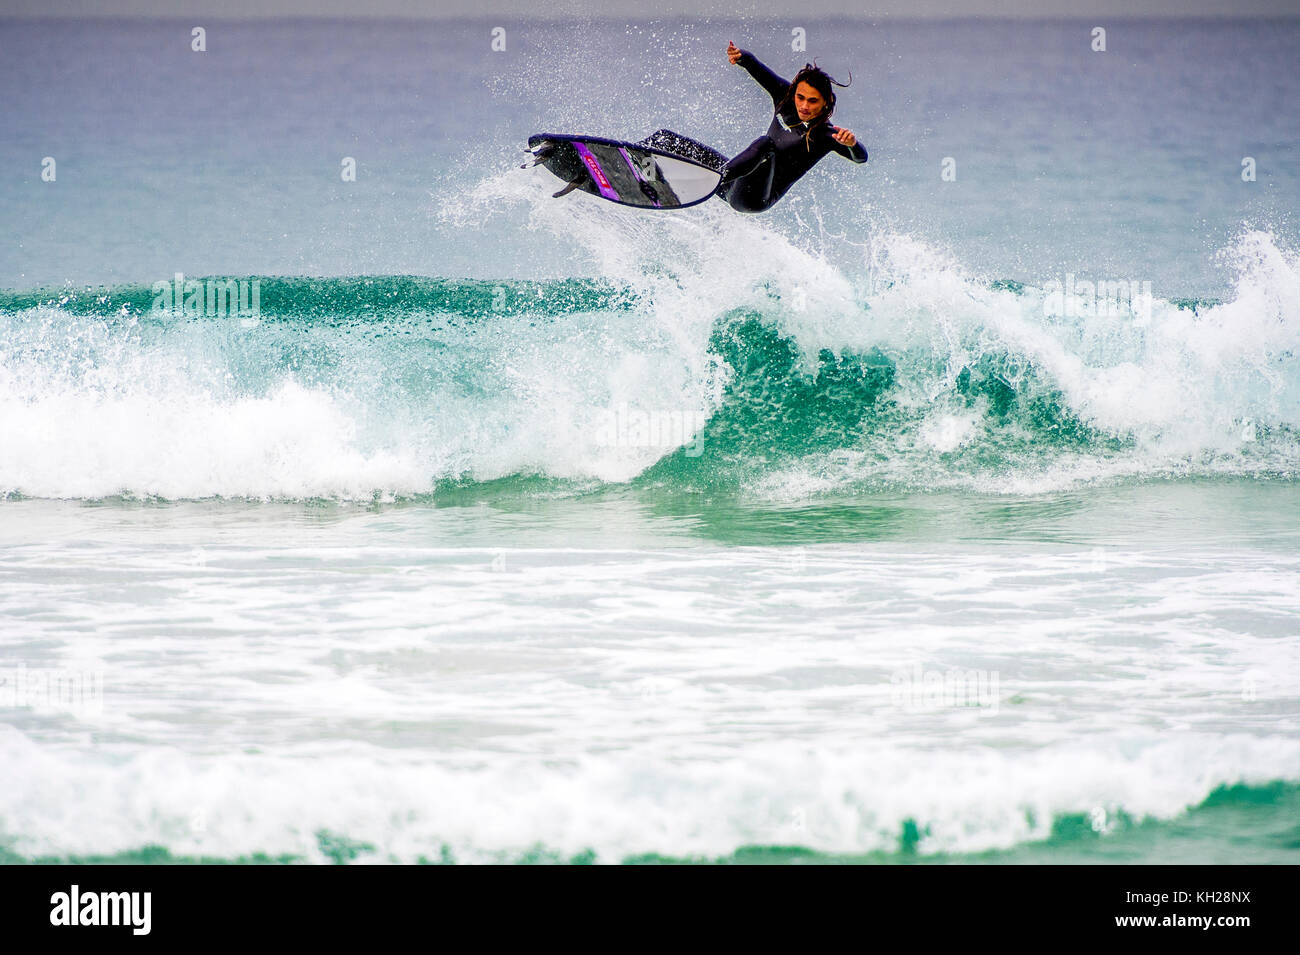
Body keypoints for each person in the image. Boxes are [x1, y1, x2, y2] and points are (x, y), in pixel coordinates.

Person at [642, 42, 867, 213]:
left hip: (754, 199)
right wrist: (741, 57)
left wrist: (853, 145)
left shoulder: (827, 135)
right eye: (801, 97)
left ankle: (707, 181)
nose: (804, 106)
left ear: (825, 103)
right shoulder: (785, 98)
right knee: (663, 138)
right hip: (733, 181)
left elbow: (861, 158)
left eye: (813, 101)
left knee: (766, 145)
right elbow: (756, 67)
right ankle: (636, 165)